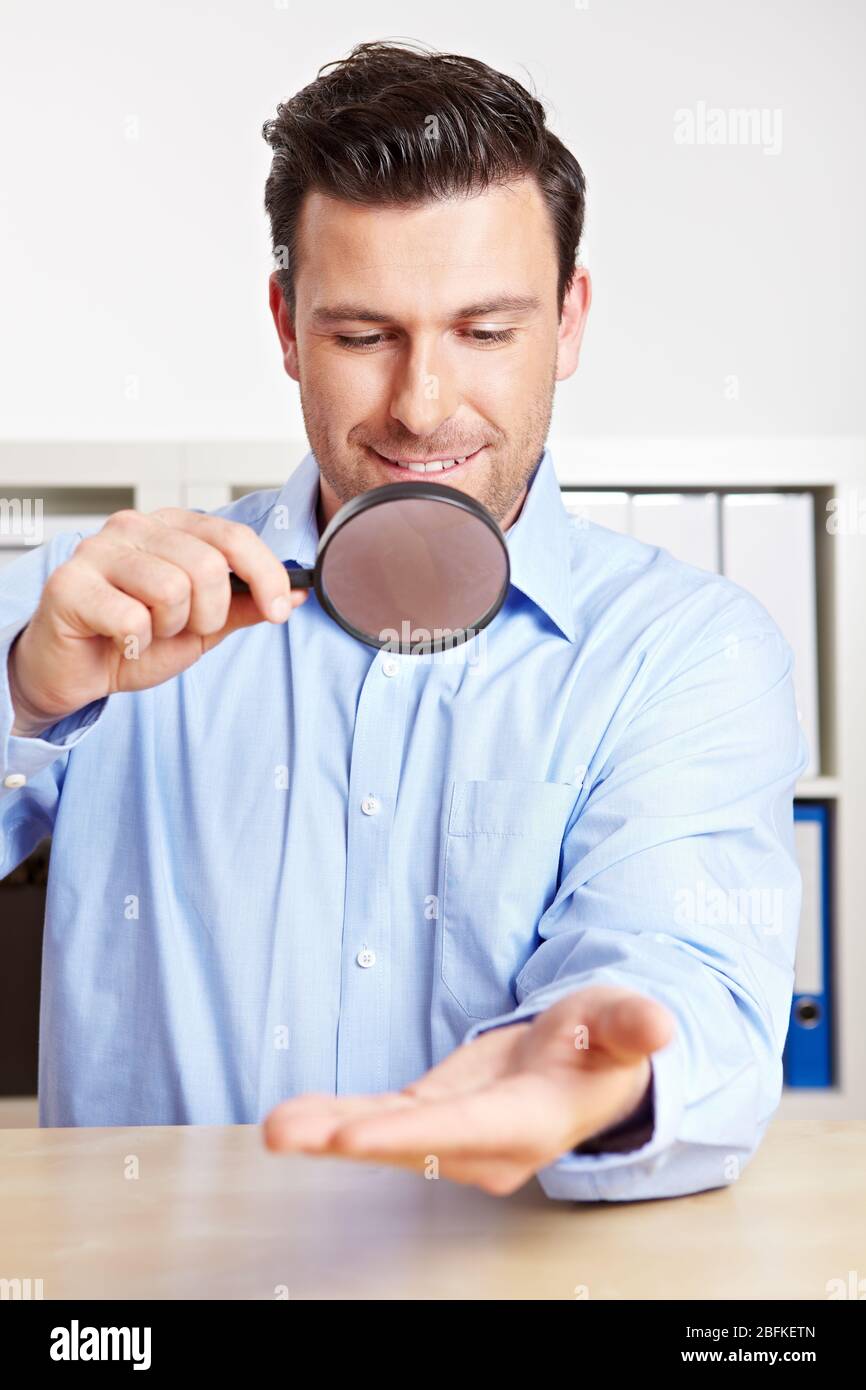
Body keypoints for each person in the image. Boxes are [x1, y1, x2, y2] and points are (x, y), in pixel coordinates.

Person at [0, 41, 808, 1202]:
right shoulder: (96, 608)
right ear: (286, 326)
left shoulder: (688, 652)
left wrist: (591, 1074)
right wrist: (24, 692)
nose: (421, 405)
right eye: (361, 335)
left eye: (484, 332)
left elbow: (678, 968)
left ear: (568, 323)